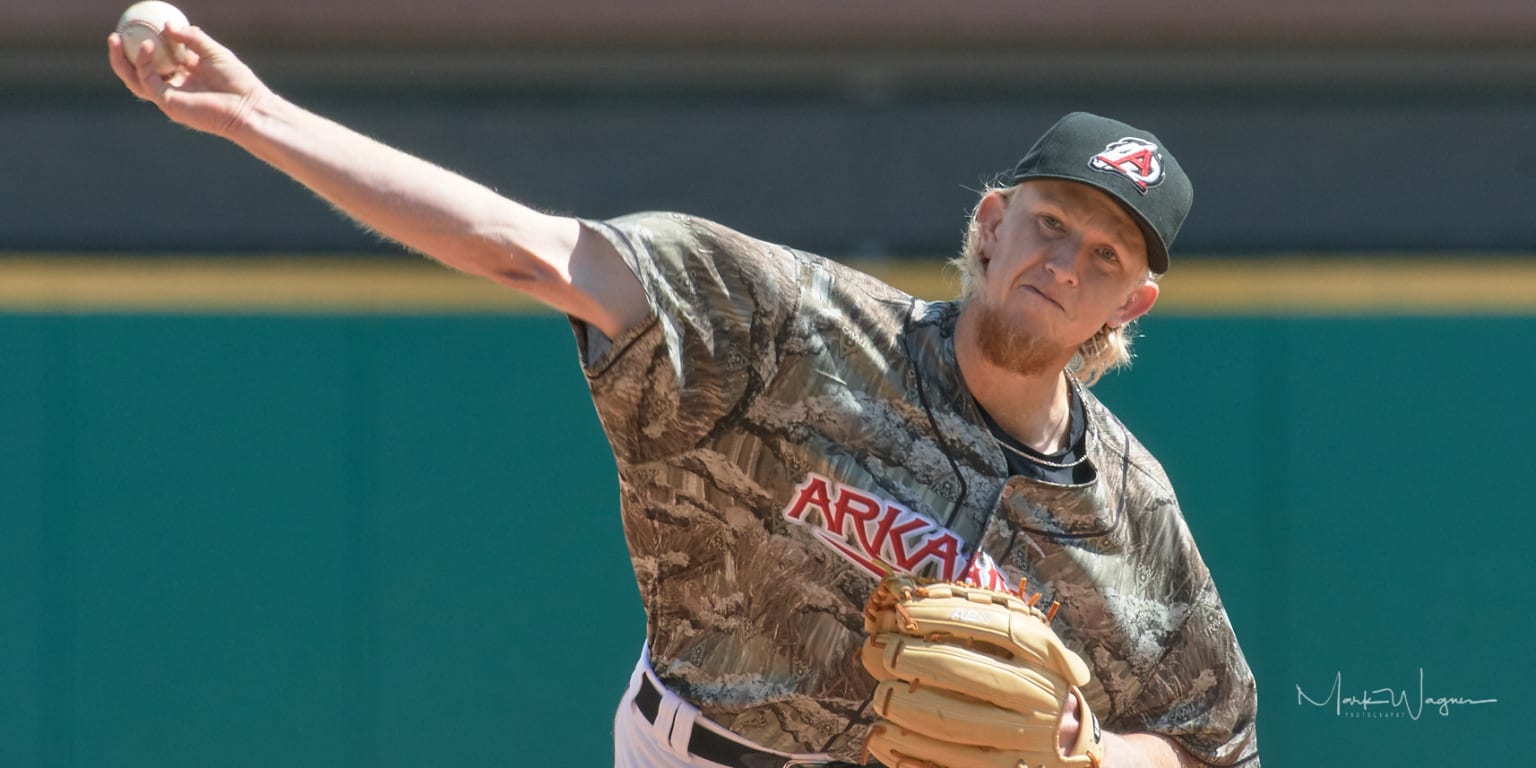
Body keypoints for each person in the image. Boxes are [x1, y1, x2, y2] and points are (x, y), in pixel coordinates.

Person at [109, 22, 1259, 768]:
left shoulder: (1129, 511)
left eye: (1103, 256)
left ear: (1130, 307)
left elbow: (1215, 745)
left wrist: (1095, 752)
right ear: (989, 224)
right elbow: (524, 247)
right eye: (1050, 224)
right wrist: (255, 115)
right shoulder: (789, 325)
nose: (1063, 262)